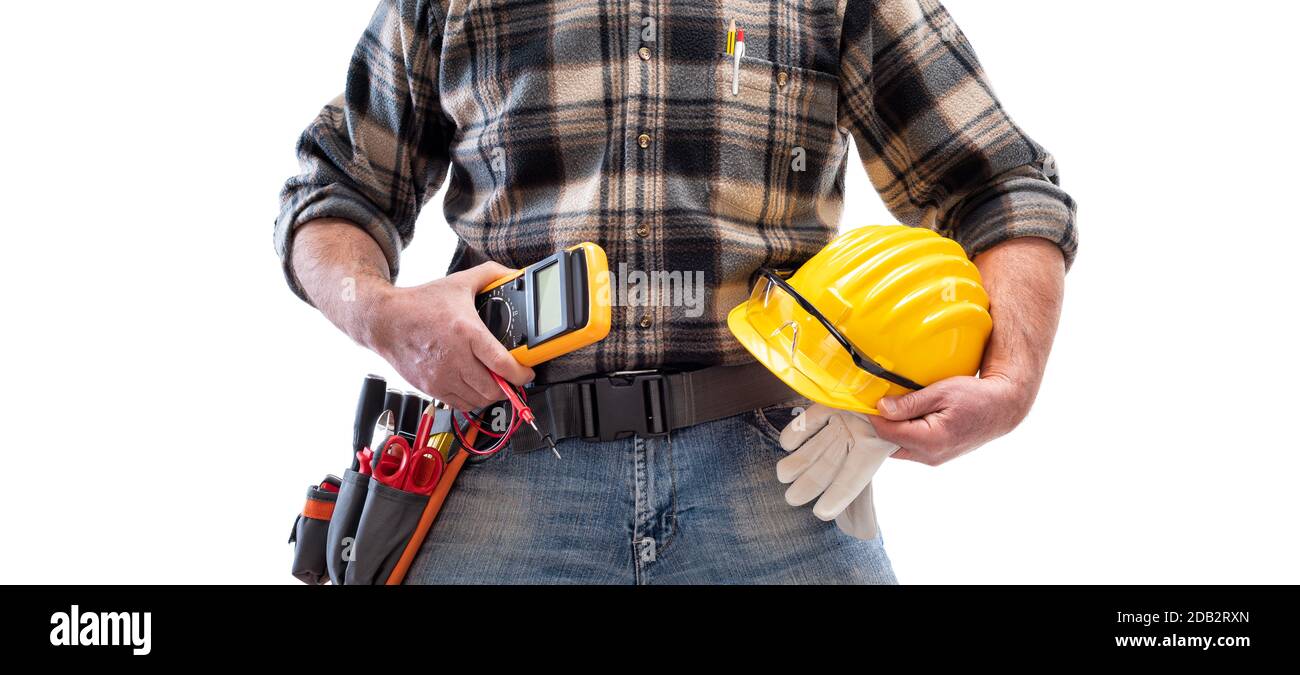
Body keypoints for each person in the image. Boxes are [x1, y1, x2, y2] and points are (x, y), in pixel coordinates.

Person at [275, 0, 1075, 584]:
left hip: (780, 468)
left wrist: (1010, 382)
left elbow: (1000, 186)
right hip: (504, 457)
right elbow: (335, 187)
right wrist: (386, 317)